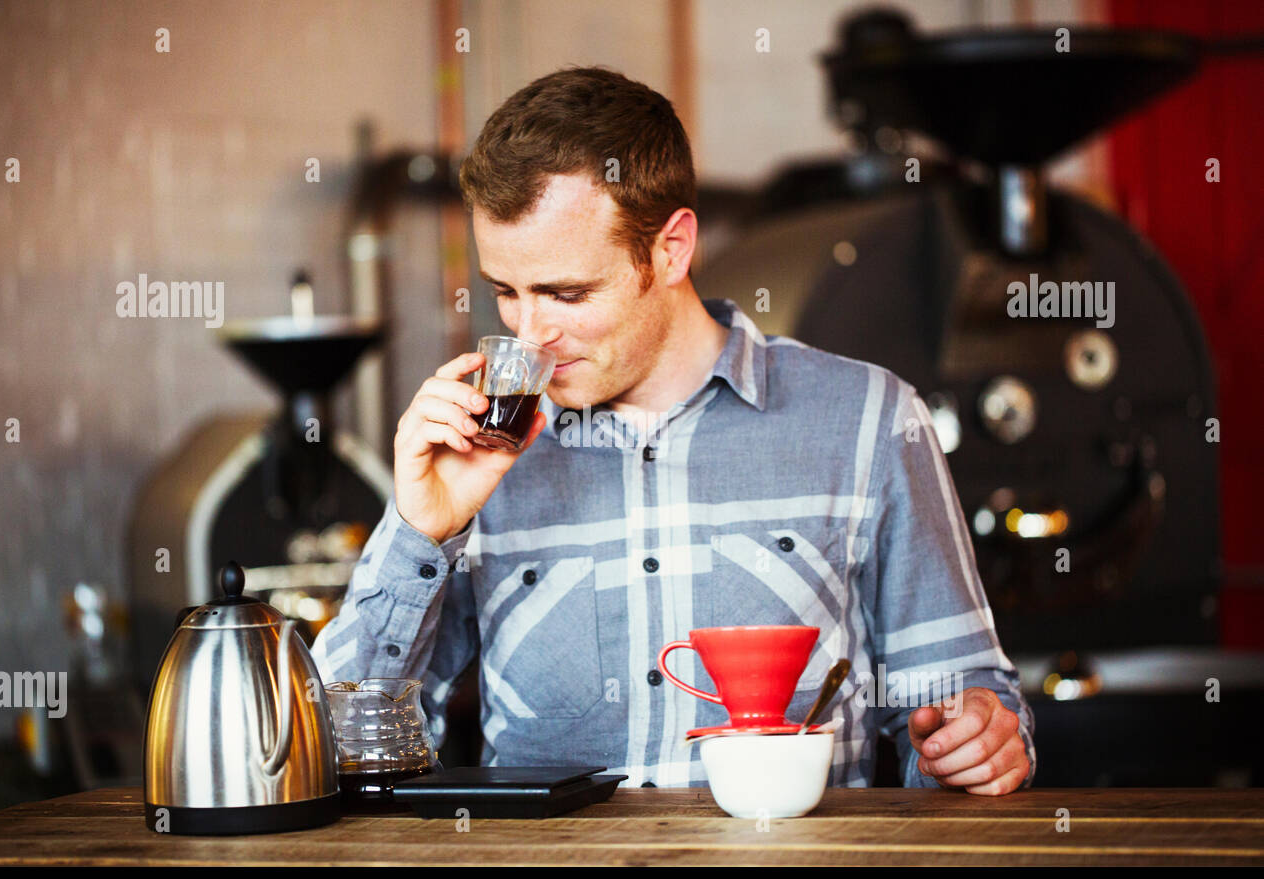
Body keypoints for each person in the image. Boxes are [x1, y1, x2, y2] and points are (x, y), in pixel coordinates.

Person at [312, 66, 1035, 792]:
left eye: (567, 293)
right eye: (508, 292)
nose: (530, 335)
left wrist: (977, 740)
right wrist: (420, 533)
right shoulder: (477, 453)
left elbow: (960, 699)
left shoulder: (869, 421)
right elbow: (337, 751)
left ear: (671, 248)